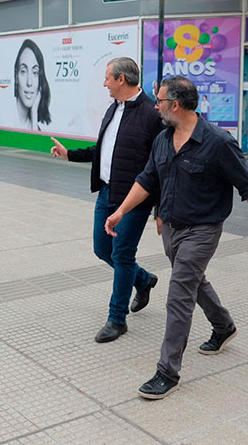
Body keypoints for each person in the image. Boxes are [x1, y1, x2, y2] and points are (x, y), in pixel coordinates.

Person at [104, 76, 248, 400]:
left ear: (174, 104)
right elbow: (148, 179)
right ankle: (224, 326)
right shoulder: (163, 139)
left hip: (202, 231)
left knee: (179, 294)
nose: (156, 107)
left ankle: (167, 372)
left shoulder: (218, 142)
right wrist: (121, 211)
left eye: (159, 101)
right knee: (194, 281)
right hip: (171, 228)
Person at [50, 57, 164, 343]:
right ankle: (143, 280)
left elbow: (163, 165)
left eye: (107, 78)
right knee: (102, 250)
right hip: (106, 193)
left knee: (122, 255)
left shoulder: (152, 115)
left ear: (121, 80)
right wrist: (70, 154)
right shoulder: (114, 109)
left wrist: (160, 208)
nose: (104, 83)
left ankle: (117, 319)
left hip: (135, 200)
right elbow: (103, 150)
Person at [14, 39, 51, 131]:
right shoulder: (8, 119)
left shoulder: (34, 126)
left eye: (35, 72)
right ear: (16, 76)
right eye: (23, 71)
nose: (29, 83)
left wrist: (34, 113)